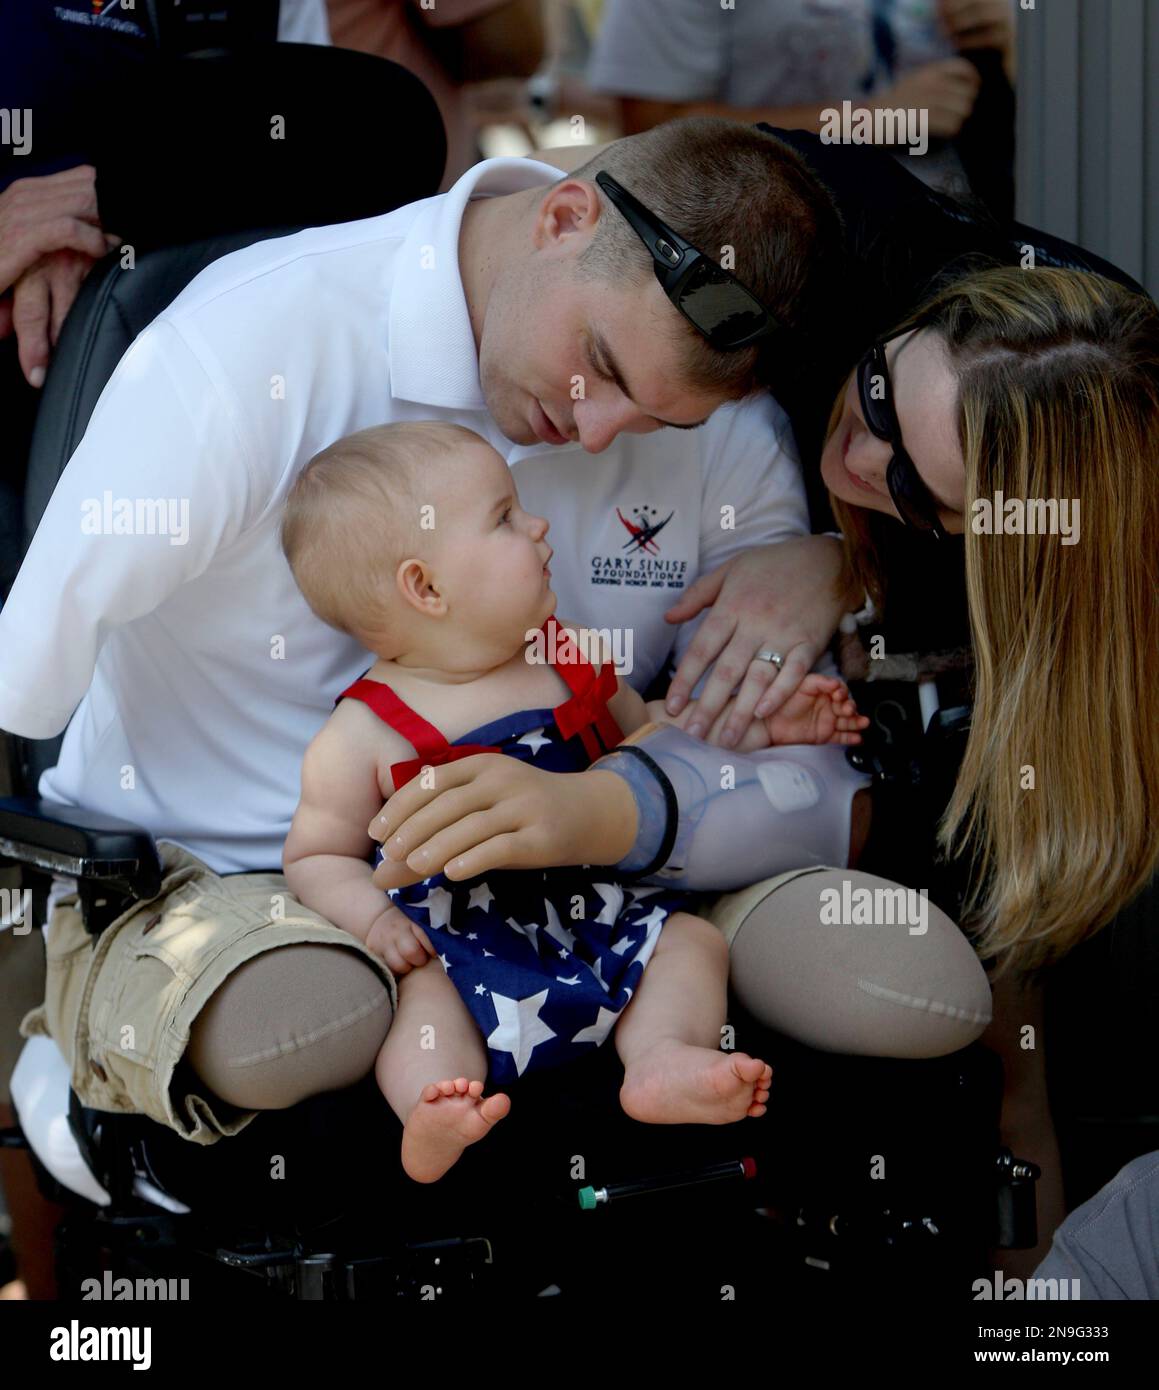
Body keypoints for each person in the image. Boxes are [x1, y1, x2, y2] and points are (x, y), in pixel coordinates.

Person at [2, 117, 872, 1146]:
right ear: (563, 216)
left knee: (865, 973)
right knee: (321, 1011)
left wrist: (838, 565)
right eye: (598, 364)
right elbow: (19, 678)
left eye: (659, 420)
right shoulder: (249, 344)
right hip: (233, 877)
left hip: (583, 877)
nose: (598, 433)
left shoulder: (727, 428)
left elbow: (799, 778)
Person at [280, 421, 865, 1178]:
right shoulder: (365, 731)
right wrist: (374, 921)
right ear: (425, 588)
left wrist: (762, 728)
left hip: (601, 903)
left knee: (691, 943)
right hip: (464, 936)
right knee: (424, 1003)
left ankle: (660, 1059)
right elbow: (317, 855)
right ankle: (430, 1108)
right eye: (505, 517)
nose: (538, 525)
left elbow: (649, 734)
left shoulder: (568, 651)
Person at [587, 0, 1017, 215]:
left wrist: (1021, 45)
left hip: (969, 245)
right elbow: (651, 129)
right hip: (780, 258)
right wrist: (866, 121)